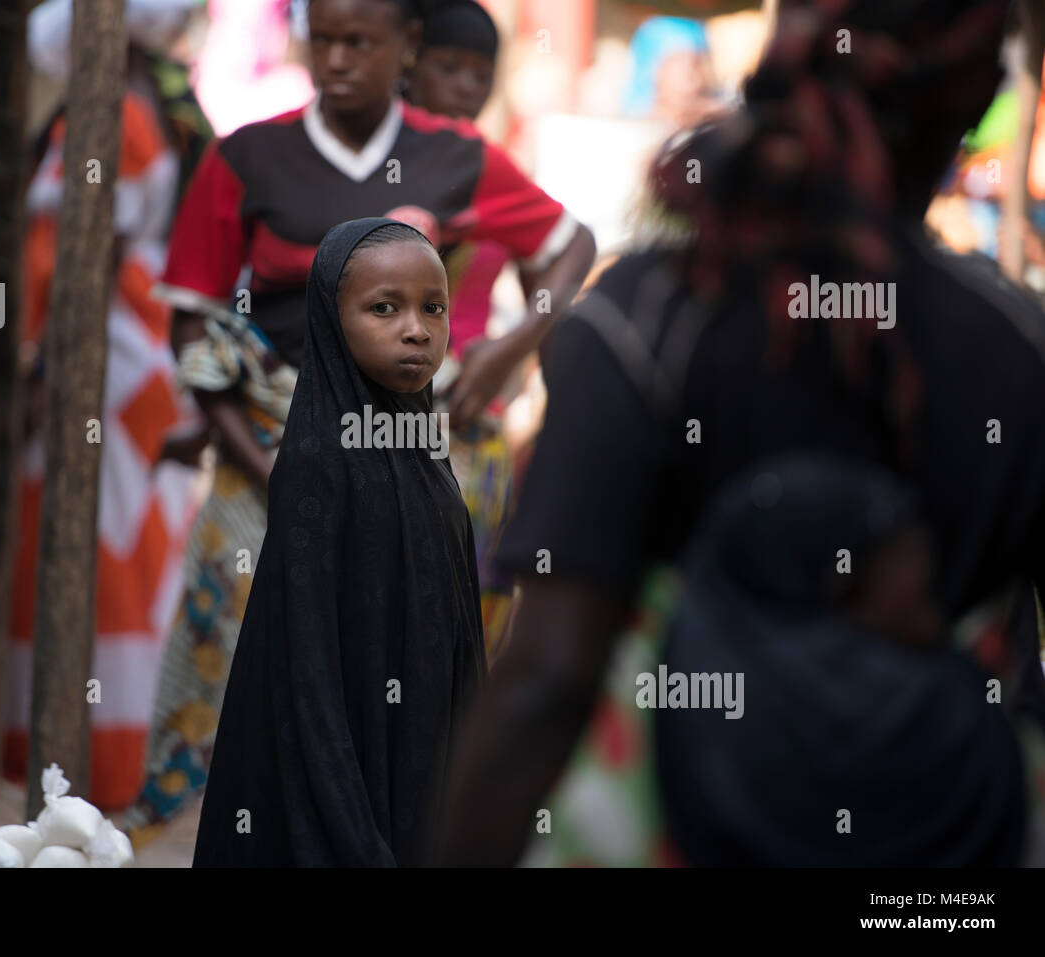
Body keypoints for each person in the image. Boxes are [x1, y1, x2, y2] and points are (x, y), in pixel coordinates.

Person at [435, 0, 1045, 866]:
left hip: (670, 820)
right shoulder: (1015, 351)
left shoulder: (646, 317)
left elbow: (547, 673)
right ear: (979, 95)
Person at [123, 0, 594, 842]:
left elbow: (571, 240)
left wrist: (517, 341)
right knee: (252, 651)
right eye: (323, 40)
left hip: (417, 444)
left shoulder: (454, 155)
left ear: (407, 46)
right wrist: (268, 466)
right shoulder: (249, 157)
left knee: (417, 653)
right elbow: (192, 319)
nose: (337, 59)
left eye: (360, 41)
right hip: (264, 442)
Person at [193, 218, 485, 866]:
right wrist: (351, 830)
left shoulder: (428, 459)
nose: (416, 328)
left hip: (417, 754)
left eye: (432, 307)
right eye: (385, 308)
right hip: (341, 773)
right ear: (331, 318)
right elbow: (308, 668)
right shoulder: (319, 462)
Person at [3, 0, 206, 811]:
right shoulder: (160, 105)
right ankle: (106, 766)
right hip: (135, 365)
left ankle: (95, 768)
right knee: (122, 552)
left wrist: (38, 369)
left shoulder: (113, 114)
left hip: (103, 365)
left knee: (100, 554)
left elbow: (85, 253)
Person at [656, 456, 1024, 865]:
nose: (924, 556)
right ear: (843, 587)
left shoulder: (696, 712)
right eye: (899, 544)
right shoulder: (951, 725)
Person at [402, 0, 514, 663]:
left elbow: (565, 254)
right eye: (451, 68)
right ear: (410, 63)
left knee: (464, 642)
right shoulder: (381, 166)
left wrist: (512, 347)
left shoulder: (493, 171)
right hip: (392, 433)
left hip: (476, 428)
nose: (468, 88)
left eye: (482, 74)